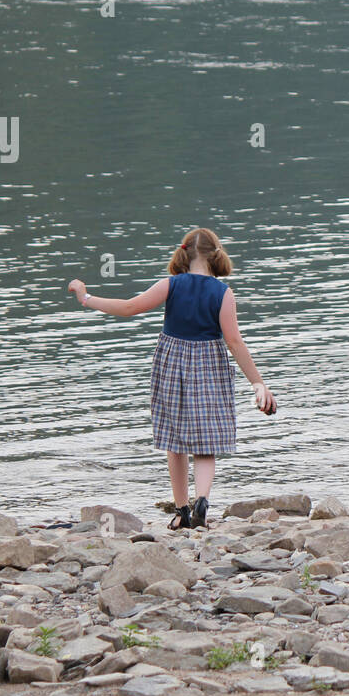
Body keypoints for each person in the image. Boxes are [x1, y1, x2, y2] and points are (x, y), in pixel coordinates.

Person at [67, 227, 276, 530]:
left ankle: (182, 512)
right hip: (210, 365)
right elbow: (234, 342)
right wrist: (258, 383)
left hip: (172, 364)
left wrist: (86, 298)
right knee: (206, 443)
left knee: (174, 440)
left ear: (184, 252)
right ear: (216, 255)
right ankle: (202, 501)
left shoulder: (172, 285)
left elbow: (129, 307)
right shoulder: (224, 293)